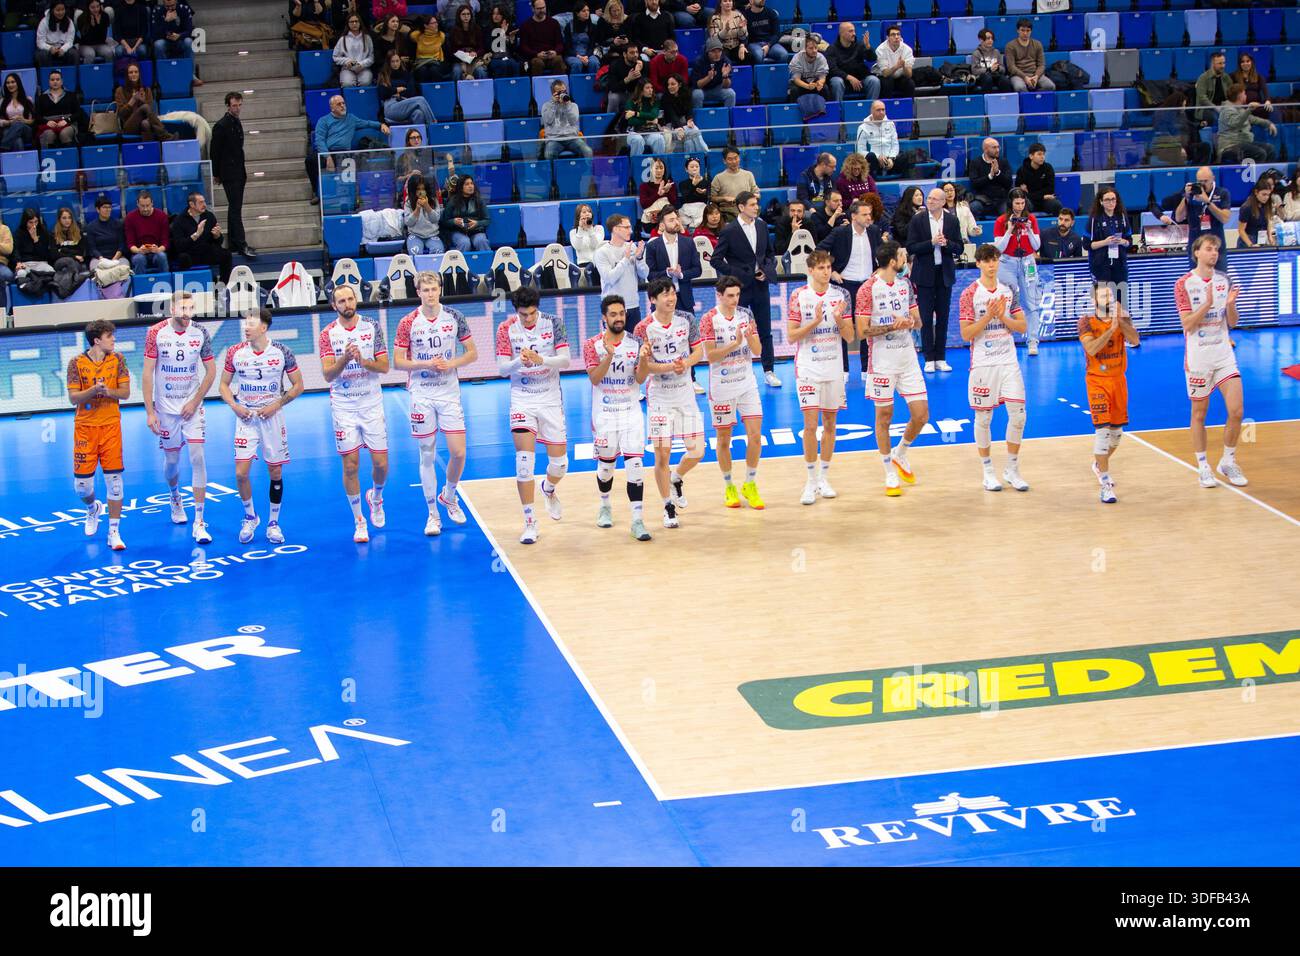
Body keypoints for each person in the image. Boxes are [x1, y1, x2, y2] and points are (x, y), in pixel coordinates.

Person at [394, 272, 476, 535]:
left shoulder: (454, 317)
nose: (430, 293)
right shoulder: (408, 322)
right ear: (418, 292)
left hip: (449, 393)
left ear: (441, 289)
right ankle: (432, 515)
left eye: (434, 288)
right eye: (425, 289)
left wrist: (450, 364)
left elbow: (472, 353)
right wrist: (425, 364)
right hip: (422, 394)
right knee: (427, 454)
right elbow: (398, 362)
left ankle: (449, 496)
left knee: (459, 452)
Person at [220, 308, 304, 545]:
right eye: (245, 323)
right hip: (246, 418)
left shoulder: (282, 352)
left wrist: (277, 404)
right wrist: (235, 406)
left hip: (272, 418)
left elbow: (298, 385)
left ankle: (274, 523)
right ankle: (250, 516)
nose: (246, 327)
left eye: (251, 323)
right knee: (240, 473)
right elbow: (224, 386)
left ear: (264, 327)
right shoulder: (235, 352)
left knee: (275, 473)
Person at [495, 285, 571, 544]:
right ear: (516, 311)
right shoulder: (506, 329)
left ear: (538, 309)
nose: (527, 319)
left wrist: (541, 360)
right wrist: (520, 361)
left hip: (550, 399)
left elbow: (566, 361)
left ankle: (548, 488)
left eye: (531, 314)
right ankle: (530, 522)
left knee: (560, 465)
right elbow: (503, 369)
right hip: (522, 399)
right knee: (524, 463)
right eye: (522, 314)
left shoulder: (554, 323)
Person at [142, 292, 217, 543]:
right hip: (166, 409)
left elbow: (211, 371)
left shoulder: (200, 333)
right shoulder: (155, 332)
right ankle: (175, 495)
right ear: (172, 308)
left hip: (192, 407)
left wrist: (195, 402)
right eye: (182, 308)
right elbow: (147, 373)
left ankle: (199, 521)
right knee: (172, 461)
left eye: (191, 308)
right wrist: (150, 412)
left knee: (198, 457)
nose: (187, 313)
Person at [1174, 235, 1247, 489]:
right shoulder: (1184, 283)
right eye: (1208, 249)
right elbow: (1186, 324)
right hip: (1198, 358)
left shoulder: (1224, 280)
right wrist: (1206, 305)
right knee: (1199, 414)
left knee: (1237, 410)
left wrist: (1230, 306)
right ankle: (1203, 465)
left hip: (1223, 354)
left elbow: (1234, 322)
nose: (1214, 253)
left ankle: (1228, 460)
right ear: (1197, 253)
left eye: (1216, 249)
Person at [319, 285, 391, 543]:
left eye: (350, 299)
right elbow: (327, 374)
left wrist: (363, 361)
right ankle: (359, 520)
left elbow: (384, 366)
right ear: (334, 306)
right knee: (350, 465)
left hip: (371, 402)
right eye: (341, 301)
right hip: (344, 405)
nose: (347, 304)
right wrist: (345, 360)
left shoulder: (372, 327)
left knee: (381, 465)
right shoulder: (327, 334)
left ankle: (377, 496)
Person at [858, 240, 929, 498]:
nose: (905, 258)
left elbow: (918, 322)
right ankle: (888, 470)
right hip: (882, 362)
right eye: (902, 255)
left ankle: (901, 453)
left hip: (907, 359)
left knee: (921, 415)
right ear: (892, 261)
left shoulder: (905, 285)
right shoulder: (867, 290)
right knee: (884, 417)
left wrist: (909, 321)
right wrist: (891, 327)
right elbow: (862, 330)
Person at [635, 279, 705, 528]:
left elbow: (699, 351)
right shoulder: (643, 328)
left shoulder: (687, 320)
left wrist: (686, 364)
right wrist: (668, 367)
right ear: (653, 299)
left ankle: (677, 477)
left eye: (673, 293)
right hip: (660, 398)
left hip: (685, 395)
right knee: (662, 454)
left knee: (698, 451)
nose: (671, 298)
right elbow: (641, 369)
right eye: (665, 294)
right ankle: (667, 506)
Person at [960, 244, 1030, 493]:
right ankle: (988, 471)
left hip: (1008, 360)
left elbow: (1021, 327)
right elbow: (966, 333)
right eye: (986, 261)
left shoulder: (1009, 289)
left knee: (1019, 415)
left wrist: (1003, 317)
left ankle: (1012, 468)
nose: (991, 265)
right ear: (978, 263)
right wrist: (989, 316)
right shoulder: (970, 294)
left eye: (995, 260)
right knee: (984, 417)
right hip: (983, 363)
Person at [787, 249, 853, 504]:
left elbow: (849, 337)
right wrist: (814, 322)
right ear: (811, 270)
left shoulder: (841, 295)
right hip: (808, 368)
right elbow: (792, 336)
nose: (826, 272)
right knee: (810, 426)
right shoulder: (798, 296)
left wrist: (839, 320)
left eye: (828, 267)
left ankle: (824, 478)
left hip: (834, 367)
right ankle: (810, 481)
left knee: (830, 425)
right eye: (822, 268)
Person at [584, 296, 652, 540]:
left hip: (631, 411)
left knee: (635, 465)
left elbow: (641, 378)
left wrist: (644, 359)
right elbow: (594, 378)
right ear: (604, 317)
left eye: (621, 313)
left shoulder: (636, 342)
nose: (619, 318)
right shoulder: (592, 344)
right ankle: (605, 504)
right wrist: (609, 356)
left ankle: (637, 521)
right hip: (604, 413)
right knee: (606, 467)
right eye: (613, 314)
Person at [700, 275, 766, 508]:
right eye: (730, 296)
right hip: (722, 387)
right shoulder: (709, 319)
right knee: (723, 440)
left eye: (737, 295)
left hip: (747, 383)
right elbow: (710, 356)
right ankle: (729, 486)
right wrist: (735, 343)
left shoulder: (746, 316)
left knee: (756, 436)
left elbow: (758, 351)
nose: (734, 300)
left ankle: (750, 483)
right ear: (719, 295)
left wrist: (749, 337)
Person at [67, 319, 130, 551]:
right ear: (96, 340)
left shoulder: (119, 360)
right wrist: (93, 391)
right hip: (85, 427)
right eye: (109, 336)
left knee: (114, 483)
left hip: (111, 426)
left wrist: (108, 391)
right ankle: (93, 507)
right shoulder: (76, 363)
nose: (113, 339)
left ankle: (114, 532)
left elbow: (125, 393)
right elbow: (74, 398)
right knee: (82, 487)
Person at [1079, 283, 1138, 505]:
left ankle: (1097, 464)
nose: (1109, 298)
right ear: (1095, 301)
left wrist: (1122, 323)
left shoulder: (1122, 318)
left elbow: (1135, 340)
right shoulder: (1086, 322)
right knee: (1102, 433)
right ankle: (1105, 484)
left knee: (1117, 436)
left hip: (1118, 381)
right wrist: (1112, 330)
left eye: (1111, 294)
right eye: (1103, 295)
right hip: (1097, 382)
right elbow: (1092, 349)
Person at [713, 191, 780, 386]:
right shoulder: (729, 230)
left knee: (765, 330)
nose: (756, 207)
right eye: (752, 204)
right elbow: (716, 260)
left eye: (756, 204)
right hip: (739, 289)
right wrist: (735, 274)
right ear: (741, 207)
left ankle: (769, 370)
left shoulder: (761, 225)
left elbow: (769, 254)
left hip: (760, 285)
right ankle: (736, 369)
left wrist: (766, 270)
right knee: (736, 331)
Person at [816, 198, 877, 379]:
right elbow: (819, 250)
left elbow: (881, 254)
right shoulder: (840, 232)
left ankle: (867, 369)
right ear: (854, 216)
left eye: (869, 214)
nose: (868, 218)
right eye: (864, 214)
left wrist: (878, 272)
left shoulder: (873, 232)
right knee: (843, 327)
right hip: (845, 285)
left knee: (867, 327)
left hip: (867, 286)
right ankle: (843, 369)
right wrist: (832, 271)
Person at [907, 188, 962, 373]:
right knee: (925, 317)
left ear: (942, 202)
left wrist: (947, 244)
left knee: (943, 318)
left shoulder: (952, 221)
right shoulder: (918, 219)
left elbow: (959, 248)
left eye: (933, 199)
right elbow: (911, 246)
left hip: (944, 274)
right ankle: (928, 357)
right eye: (928, 198)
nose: (929, 201)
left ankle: (941, 357)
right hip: (924, 275)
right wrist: (931, 243)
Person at [993, 187, 1043, 355]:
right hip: (1007, 262)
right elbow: (998, 248)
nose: (1020, 207)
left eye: (1022, 203)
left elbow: (1037, 246)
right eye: (1017, 203)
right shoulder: (1001, 221)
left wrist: (1028, 229)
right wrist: (1009, 230)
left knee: (1031, 302)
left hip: (1028, 261)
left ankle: (1033, 341)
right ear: (1010, 203)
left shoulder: (1031, 219)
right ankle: (1004, 340)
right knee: (1006, 301)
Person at [210, 93, 257, 259]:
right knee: (235, 208)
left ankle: (233, 243)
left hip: (238, 171)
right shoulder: (221, 126)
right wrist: (216, 173)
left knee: (234, 207)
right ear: (228, 106)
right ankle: (241, 243)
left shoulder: (236, 122)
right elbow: (214, 152)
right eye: (234, 105)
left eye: (239, 105)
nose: (237, 108)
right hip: (229, 173)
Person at [594, 215, 649, 327]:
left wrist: (639, 258)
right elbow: (609, 278)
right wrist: (625, 259)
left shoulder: (632, 247)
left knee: (634, 343)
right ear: (615, 229)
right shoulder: (602, 252)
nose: (631, 230)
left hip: (633, 305)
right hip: (613, 308)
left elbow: (644, 274)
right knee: (614, 343)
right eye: (627, 227)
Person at [646, 206, 702, 315]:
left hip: (685, 300)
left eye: (677, 218)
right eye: (671, 220)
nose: (676, 222)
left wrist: (681, 274)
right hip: (661, 300)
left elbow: (697, 270)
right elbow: (650, 275)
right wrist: (667, 273)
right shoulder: (652, 246)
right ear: (662, 225)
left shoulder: (689, 243)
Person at [171, 191, 234, 283]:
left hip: (205, 251)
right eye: (201, 202)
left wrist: (217, 236)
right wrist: (195, 235)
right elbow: (179, 245)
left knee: (226, 254)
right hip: (190, 253)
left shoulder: (209, 216)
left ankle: (224, 284)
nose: (204, 205)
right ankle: (186, 286)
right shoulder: (179, 220)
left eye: (204, 202)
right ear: (192, 204)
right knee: (183, 258)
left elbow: (218, 243)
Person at [1174, 167, 1231, 268]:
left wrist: (1207, 202)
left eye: (1205, 181)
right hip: (1196, 244)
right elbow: (1178, 218)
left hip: (1216, 245)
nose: (1203, 184)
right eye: (1200, 181)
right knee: (1197, 279)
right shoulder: (1191, 194)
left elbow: (1225, 218)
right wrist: (1186, 197)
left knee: (1220, 277)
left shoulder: (1222, 193)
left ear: (1213, 178)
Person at [1087, 186, 1131, 305]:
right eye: (1107, 200)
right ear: (1101, 202)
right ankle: (1104, 323)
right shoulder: (1094, 219)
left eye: (1113, 199)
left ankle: (1121, 323)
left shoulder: (1122, 217)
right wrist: (1105, 242)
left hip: (1119, 264)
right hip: (1100, 264)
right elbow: (1087, 245)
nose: (1111, 202)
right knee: (1103, 302)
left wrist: (1123, 241)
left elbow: (1129, 241)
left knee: (1121, 301)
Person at [1217, 83, 1277, 164]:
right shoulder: (1227, 110)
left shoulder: (1240, 109)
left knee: (1270, 149)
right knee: (1259, 153)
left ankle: (1266, 174)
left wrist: (1268, 123)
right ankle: (1256, 175)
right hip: (1230, 145)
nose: (1246, 95)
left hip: (1244, 143)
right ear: (1240, 96)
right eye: (1244, 93)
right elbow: (1236, 123)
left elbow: (1253, 119)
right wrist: (1249, 109)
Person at [115, 62, 173, 142]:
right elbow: (121, 114)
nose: (134, 74)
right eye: (130, 72)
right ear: (127, 75)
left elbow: (151, 112)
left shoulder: (146, 90)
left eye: (136, 72)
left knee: (145, 124)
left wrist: (143, 101)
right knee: (145, 107)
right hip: (129, 126)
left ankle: (149, 151)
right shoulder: (120, 90)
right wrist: (132, 101)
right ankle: (165, 136)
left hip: (145, 122)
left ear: (139, 74)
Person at [378, 50, 438, 128]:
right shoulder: (384, 74)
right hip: (391, 108)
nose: (395, 64)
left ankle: (420, 136)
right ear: (388, 62)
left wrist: (395, 92)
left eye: (397, 61)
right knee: (420, 100)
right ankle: (434, 126)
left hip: (406, 104)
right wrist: (396, 89)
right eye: (392, 61)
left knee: (418, 113)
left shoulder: (406, 74)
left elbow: (412, 92)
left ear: (400, 61)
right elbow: (382, 93)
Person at [824, 21, 879, 102]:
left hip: (860, 80)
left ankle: (871, 109)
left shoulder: (859, 45)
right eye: (850, 31)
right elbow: (832, 69)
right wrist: (849, 77)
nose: (854, 34)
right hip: (842, 80)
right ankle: (838, 110)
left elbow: (872, 59)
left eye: (854, 31)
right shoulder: (832, 49)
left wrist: (868, 47)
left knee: (874, 81)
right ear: (841, 33)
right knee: (836, 81)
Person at [539, 79, 592, 160]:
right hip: (554, 139)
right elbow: (548, 121)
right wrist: (553, 105)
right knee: (549, 154)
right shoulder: (546, 106)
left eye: (564, 91)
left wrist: (567, 106)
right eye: (560, 92)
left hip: (572, 138)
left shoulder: (573, 105)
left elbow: (573, 121)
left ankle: (584, 172)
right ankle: (553, 173)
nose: (563, 94)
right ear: (553, 93)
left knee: (587, 151)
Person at [855, 100, 907, 178]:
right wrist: (878, 157)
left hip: (889, 160)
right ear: (872, 111)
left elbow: (895, 145)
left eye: (883, 109)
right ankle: (874, 176)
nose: (881, 112)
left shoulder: (891, 124)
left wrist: (891, 158)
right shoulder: (863, 127)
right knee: (870, 156)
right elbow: (860, 151)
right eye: (878, 110)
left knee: (905, 155)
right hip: (874, 162)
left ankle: (898, 176)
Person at [441, 174, 492, 251]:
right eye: (467, 184)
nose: (470, 186)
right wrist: (454, 221)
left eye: (472, 183)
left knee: (481, 241)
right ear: (461, 187)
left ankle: (486, 262)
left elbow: (487, 220)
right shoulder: (452, 201)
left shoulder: (479, 200)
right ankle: (460, 263)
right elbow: (444, 221)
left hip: (476, 231)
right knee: (465, 242)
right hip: (457, 231)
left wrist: (477, 223)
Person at [660, 74, 709, 153]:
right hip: (671, 126)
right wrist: (679, 127)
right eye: (668, 84)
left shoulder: (687, 94)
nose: (670, 87)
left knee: (689, 142)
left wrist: (689, 120)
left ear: (679, 84)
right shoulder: (665, 97)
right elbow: (672, 115)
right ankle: (706, 153)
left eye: (673, 84)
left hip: (684, 124)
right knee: (695, 130)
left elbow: (689, 110)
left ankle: (689, 161)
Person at [124, 191, 170, 274]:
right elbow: (130, 244)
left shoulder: (162, 216)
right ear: (137, 204)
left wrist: (158, 249)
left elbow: (165, 242)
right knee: (139, 259)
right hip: (139, 252)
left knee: (162, 256)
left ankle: (166, 283)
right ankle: (139, 284)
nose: (145, 209)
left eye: (148, 205)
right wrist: (138, 250)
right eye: (142, 206)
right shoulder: (130, 218)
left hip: (157, 251)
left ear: (152, 203)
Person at [35, 69, 80, 149]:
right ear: (49, 82)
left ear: (62, 81)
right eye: (52, 80)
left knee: (64, 133)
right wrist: (47, 122)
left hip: (68, 123)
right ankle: (51, 158)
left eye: (57, 79)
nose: (55, 82)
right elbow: (38, 116)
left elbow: (78, 113)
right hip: (48, 124)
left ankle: (69, 157)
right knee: (49, 135)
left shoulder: (71, 95)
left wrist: (67, 120)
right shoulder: (42, 97)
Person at [967, 137, 1012, 219]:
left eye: (998, 147)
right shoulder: (975, 163)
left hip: (1001, 199)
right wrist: (990, 176)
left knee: (1008, 211)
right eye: (994, 147)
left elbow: (1009, 183)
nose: (998, 150)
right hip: (983, 200)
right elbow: (974, 184)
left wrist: (998, 173)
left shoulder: (1003, 162)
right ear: (985, 149)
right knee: (973, 207)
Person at [1005, 18, 1053, 93]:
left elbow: (1041, 65)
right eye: (1022, 30)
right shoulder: (1010, 46)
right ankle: (1029, 101)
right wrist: (1025, 77)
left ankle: (1036, 98)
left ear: (1031, 31)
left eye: (1028, 31)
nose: (1025, 33)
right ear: (1017, 30)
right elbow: (1011, 67)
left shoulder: (1037, 44)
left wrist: (1036, 76)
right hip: (1018, 75)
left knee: (1050, 86)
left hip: (1035, 74)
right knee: (1019, 87)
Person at [710, 146, 757, 222]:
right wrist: (724, 198)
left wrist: (752, 197)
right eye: (730, 159)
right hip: (728, 213)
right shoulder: (718, 177)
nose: (734, 161)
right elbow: (712, 197)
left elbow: (757, 194)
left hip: (747, 211)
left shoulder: (748, 175)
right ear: (724, 161)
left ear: (739, 158)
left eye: (736, 158)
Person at [518, 0, 564, 75]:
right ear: (533, 9)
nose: (542, 10)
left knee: (558, 60)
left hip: (551, 55)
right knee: (537, 63)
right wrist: (536, 54)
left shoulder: (554, 23)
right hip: (535, 56)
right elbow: (523, 47)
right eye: (539, 8)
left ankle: (560, 85)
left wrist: (555, 52)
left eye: (543, 8)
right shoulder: (526, 25)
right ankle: (536, 86)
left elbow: (560, 43)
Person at [691, 36, 736, 111]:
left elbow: (726, 86)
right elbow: (697, 85)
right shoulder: (699, 62)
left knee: (731, 94)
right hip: (702, 90)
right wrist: (708, 78)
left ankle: (728, 119)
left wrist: (725, 76)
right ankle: (697, 120)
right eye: (713, 51)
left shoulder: (725, 62)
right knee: (696, 94)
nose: (717, 54)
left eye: (719, 51)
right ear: (708, 52)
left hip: (717, 89)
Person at [1015, 143, 1061, 216]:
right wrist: (1042, 196)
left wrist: (1031, 194)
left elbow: (1050, 189)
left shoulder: (1048, 168)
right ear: (1031, 156)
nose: (1042, 157)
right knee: (1023, 205)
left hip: (1045, 201)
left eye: (1043, 154)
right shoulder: (1022, 170)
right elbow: (1020, 193)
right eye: (1039, 154)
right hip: (1030, 201)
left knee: (1056, 205)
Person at [623, 79, 667, 157]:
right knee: (638, 140)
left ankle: (659, 166)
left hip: (651, 131)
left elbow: (653, 115)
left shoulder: (655, 101)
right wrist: (648, 121)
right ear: (641, 90)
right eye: (647, 88)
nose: (651, 90)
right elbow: (631, 121)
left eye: (652, 87)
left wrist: (636, 113)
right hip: (634, 132)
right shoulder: (630, 102)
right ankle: (635, 167)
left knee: (659, 139)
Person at [403, 175, 445, 255]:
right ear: (413, 190)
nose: (421, 192)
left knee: (438, 251)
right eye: (418, 189)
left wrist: (427, 206)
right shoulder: (408, 201)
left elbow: (435, 219)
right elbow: (408, 222)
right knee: (415, 252)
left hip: (432, 235)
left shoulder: (433, 199)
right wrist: (417, 209)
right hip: (415, 235)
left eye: (423, 189)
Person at [448, 4, 490, 79]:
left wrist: (476, 53)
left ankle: (483, 90)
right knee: (456, 70)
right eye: (463, 14)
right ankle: (456, 90)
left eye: (468, 14)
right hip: (459, 60)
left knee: (481, 70)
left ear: (471, 15)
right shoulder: (453, 31)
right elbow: (452, 50)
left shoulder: (477, 29)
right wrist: (462, 57)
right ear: (459, 16)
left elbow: (482, 48)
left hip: (474, 58)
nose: (466, 16)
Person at [787, 35, 830, 108]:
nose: (814, 50)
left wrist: (820, 83)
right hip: (801, 84)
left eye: (816, 48)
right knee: (794, 90)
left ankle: (829, 110)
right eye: (811, 48)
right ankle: (793, 111)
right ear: (805, 49)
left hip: (815, 83)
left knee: (825, 88)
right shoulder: (797, 58)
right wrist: (807, 86)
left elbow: (822, 76)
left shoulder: (821, 58)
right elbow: (796, 79)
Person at [335, 13, 377, 85]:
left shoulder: (367, 38)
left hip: (364, 68)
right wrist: (346, 61)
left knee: (365, 82)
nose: (354, 23)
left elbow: (372, 56)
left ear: (360, 23)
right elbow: (335, 57)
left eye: (356, 21)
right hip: (347, 69)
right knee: (347, 83)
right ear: (348, 24)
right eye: (352, 22)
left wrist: (362, 64)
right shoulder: (343, 39)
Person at [873, 24, 914, 98]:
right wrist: (896, 66)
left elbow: (909, 75)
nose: (896, 37)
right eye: (893, 35)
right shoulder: (880, 50)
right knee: (888, 81)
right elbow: (885, 73)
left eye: (898, 34)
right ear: (887, 38)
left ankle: (908, 106)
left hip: (899, 77)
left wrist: (904, 66)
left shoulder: (907, 49)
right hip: (884, 77)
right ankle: (887, 106)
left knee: (910, 83)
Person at [639, 158, 678, 234]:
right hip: (650, 221)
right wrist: (658, 194)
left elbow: (674, 202)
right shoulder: (644, 186)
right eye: (656, 168)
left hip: (667, 218)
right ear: (651, 169)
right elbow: (644, 204)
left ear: (664, 170)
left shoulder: (670, 185)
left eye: (661, 168)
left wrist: (666, 192)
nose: (659, 171)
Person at [85, 195, 125, 268]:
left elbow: (121, 245)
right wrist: (103, 260)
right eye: (104, 207)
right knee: (95, 269)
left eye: (109, 207)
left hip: (117, 257)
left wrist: (113, 260)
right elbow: (93, 248)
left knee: (124, 267)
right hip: (99, 259)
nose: (108, 210)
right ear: (98, 209)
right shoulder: (91, 227)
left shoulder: (118, 224)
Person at [1231, 51, 1272, 120]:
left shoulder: (1259, 76)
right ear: (1239, 64)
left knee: (1269, 109)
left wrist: (1268, 100)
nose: (1245, 64)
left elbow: (1265, 90)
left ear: (1251, 62)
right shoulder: (1233, 76)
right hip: (1241, 107)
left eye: (1248, 61)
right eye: (1243, 62)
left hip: (1256, 105)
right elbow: (1231, 94)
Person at [485, 3, 523, 78]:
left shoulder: (510, 28)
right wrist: (502, 33)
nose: (495, 16)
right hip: (495, 57)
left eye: (498, 14)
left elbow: (514, 50)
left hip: (509, 57)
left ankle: (515, 87)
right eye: (493, 14)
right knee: (502, 65)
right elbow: (490, 47)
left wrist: (511, 40)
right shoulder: (488, 29)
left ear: (503, 15)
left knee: (514, 64)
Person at [0, 73, 34, 152]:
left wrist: (23, 120)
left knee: (18, 124)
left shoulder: (28, 100)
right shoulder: (2, 102)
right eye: (8, 83)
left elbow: (33, 120)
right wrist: (9, 122)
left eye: (13, 82)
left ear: (18, 83)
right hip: (8, 129)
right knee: (17, 141)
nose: (10, 85)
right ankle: (19, 163)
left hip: (26, 130)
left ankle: (2, 147)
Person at [35, 2, 77, 67]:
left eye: (63, 10)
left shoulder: (69, 21)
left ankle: (70, 74)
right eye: (58, 10)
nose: (61, 13)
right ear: (52, 10)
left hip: (63, 47)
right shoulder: (44, 22)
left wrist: (63, 49)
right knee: (42, 55)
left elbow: (70, 41)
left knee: (73, 53)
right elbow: (40, 42)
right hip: (48, 48)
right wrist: (50, 48)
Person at [970, 28, 1012, 92]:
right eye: (988, 38)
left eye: (992, 38)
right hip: (983, 77)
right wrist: (988, 69)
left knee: (1005, 81)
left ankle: (1005, 100)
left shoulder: (996, 52)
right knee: (988, 79)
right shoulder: (976, 53)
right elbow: (974, 71)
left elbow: (1003, 69)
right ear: (981, 40)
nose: (991, 40)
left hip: (996, 75)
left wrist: (998, 68)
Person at [1237, 180, 1276, 249]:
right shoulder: (1246, 207)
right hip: (1247, 241)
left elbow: (1267, 222)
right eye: (1264, 194)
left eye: (1268, 195)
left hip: (1261, 239)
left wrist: (1270, 237)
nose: (1266, 197)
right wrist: (1251, 245)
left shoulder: (1267, 205)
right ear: (1256, 192)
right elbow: (1241, 230)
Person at [1195, 51, 1230, 126]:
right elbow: (1202, 98)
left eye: (1224, 63)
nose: (1223, 66)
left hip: (1224, 107)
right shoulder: (1203, 78)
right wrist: (1216, 108)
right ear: (1212, 64)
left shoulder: (1226, 77)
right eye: (1220, 63)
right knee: (1216, 117)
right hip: (1207, 109)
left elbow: (1232, 93)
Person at [942, 180, 982, 247]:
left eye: (951, 190)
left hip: (963, 243)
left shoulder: (964, 209)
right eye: (946, 191)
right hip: (945, 244)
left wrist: (976, 231)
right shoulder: (938, 210)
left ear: (955, 191)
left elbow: (971, 230)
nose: (949, 193)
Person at [562, 2, 599, 74]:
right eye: (583, 11)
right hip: (572, 54)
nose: (587, 13)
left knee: (594, 63)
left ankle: (594, 84)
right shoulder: (569, 27)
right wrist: (578, 56)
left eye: (588, 10)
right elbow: (567, 47)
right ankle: (575, 84)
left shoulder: (592, 27)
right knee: (577, 64)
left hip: (588, 54)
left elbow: (592, 46)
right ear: (577, 13)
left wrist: (586, 56)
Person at [677, 156, 710, 229]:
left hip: (701, 209)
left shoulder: (706, 183)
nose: (695, 168)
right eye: (692, 167)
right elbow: (686, 198)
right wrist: (693, 185)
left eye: (697, 166)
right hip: (686, 210)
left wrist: (703, 193)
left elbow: (707, 198)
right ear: (686, 169)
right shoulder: (683, 184)